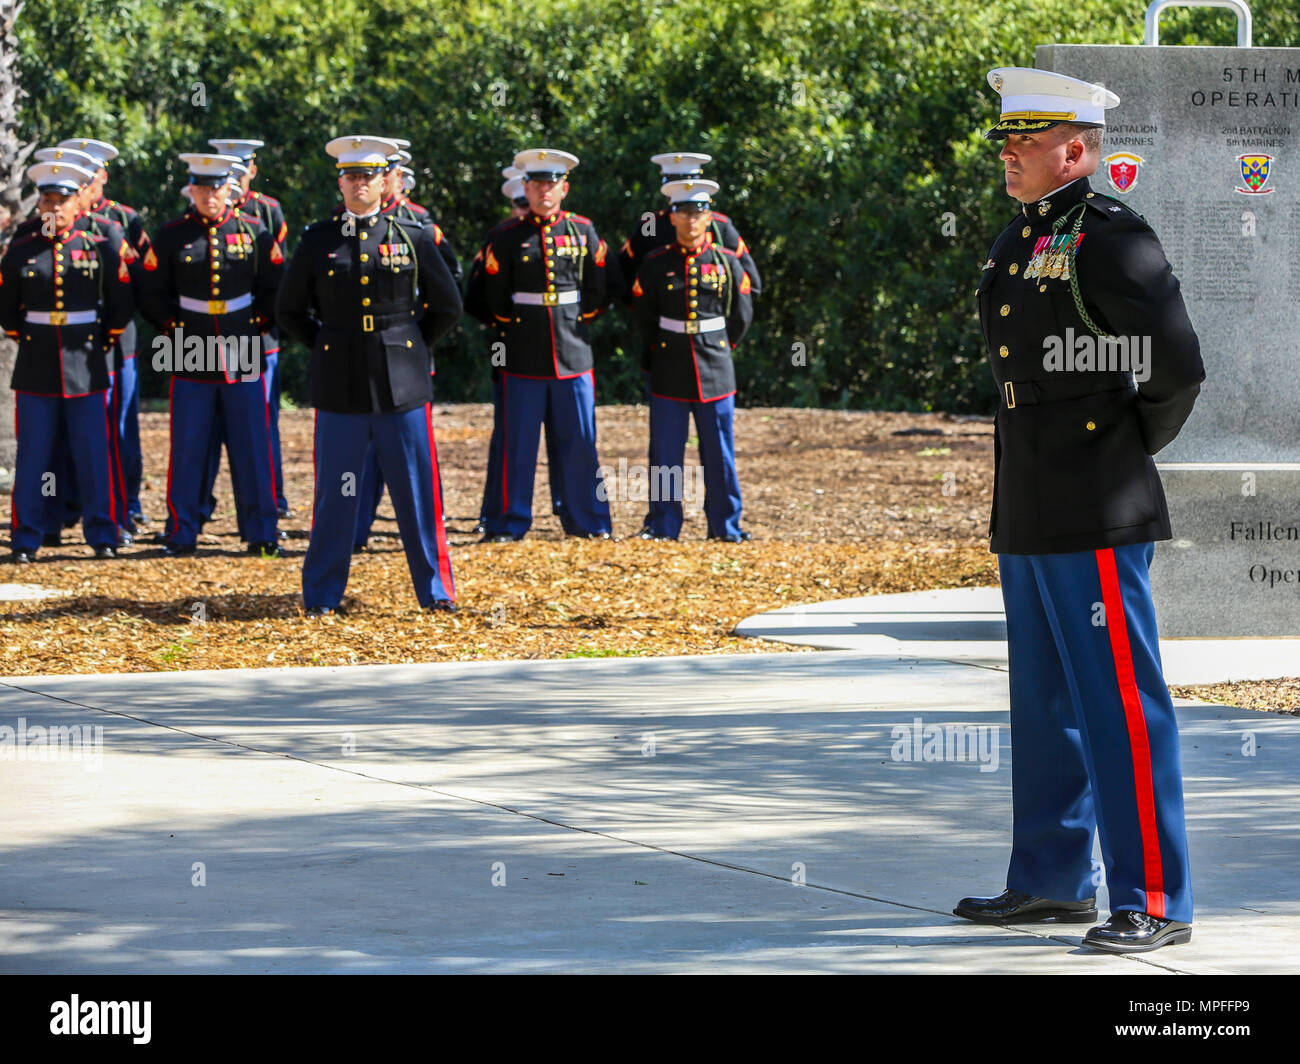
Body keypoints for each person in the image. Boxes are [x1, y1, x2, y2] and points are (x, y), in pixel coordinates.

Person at [951, 67, 1206, 955]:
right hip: (1028, 493)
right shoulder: (1019, 236)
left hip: (1095, 497)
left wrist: (1121, 449)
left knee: (1118, 702)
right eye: (1007, 139)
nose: (1009, 153)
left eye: (1027, 140)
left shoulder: (1112, 236)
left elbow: (1177, 368)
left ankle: (1155, 898)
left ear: (1077, 149)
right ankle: (1053, 881)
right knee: (1044, 699)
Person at [277, 135, 462, 615]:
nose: (360, 183)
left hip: (403, 383)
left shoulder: (413, 234)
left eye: (369, 175)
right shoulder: (318, 240)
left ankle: (436, 592)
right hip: (339, 382)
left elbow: (447, 306)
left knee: (417, 491)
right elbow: (289, 310)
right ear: (340, 183)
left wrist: (410, 345)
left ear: (385, 181)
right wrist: (326, 344)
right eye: (352, 176)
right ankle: (322, 596)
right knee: (335, 495)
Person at [139, 153, 283, 557]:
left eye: (216, 188)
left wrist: (257, 325)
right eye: (201, 188)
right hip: (188, 344)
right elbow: (150, 292)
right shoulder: (171, 234)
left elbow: (276, 286)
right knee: (189, 445)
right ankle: (181, 532)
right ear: (191, 190)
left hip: (241, 343)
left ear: (229, 189)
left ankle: (262, 532)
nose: (209, 196)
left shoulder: (254, 231)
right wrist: (174, 330)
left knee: (252, 445)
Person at [618, 152, 760, 538]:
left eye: (698, 212)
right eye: (683, 212)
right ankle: (663, 524)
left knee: (720, 450)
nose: (691, 219)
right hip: (669, 364)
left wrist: (721, 346)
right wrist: (656, 351)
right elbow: (644, 315)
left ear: (709, 217)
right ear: (672, 216)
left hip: (715, 364)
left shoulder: (727, 262)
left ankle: (726, 525)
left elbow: (741, 312)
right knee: (665, 451)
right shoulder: (655, 263)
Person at [480, 148, 617, 542]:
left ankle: (589, 520)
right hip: (522, 353)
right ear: (525, 188)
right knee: (517, 445)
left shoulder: (583, 231)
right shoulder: (506, 236)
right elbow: (493, 296)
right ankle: (508, 522)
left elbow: (600, 288)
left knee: (580, 442)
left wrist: (576, 321)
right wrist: (512, 327)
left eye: (551, 184)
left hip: (572, 352)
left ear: (564, 189)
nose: (544, 191)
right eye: (537, 184)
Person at [1, 161, 133, 561]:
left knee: (93, 455)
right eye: (47, 200)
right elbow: (7, 309)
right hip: (36, 364)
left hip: (85, 363)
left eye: (63, 200)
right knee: (35, 458)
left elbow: (121, 302)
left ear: (78, 203)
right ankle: (27, 536)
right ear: (39, 204)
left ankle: (102, 533)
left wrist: (102, 341)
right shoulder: (22, 247)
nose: (54, 208)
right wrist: (26, 338)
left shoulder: (100, 244)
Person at [59, 137, 153, 530]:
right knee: (66, 428)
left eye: (92, 175)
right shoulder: (53, 218)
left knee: (120, 424)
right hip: (69, 342)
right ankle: (67, 504)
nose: (88, 183)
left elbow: (144, 278)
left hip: (116, 338)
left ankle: (126, 503)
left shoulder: (123, 220)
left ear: (103, 176)